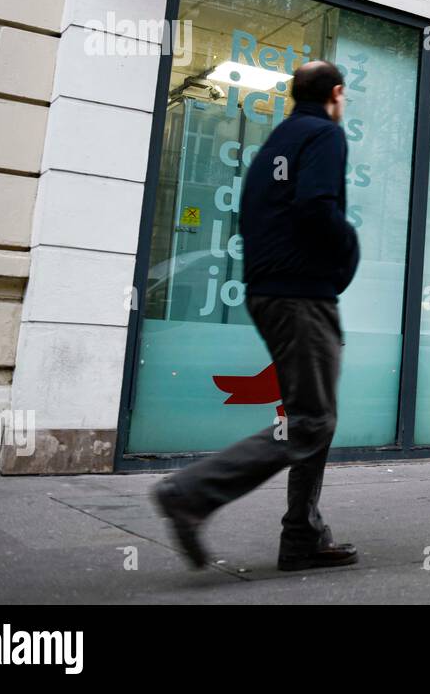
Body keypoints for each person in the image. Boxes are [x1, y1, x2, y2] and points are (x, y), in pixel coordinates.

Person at [152, 60, 361, 572]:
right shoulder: (325, 136)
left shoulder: (278, 141)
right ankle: (190, 493)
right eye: (344, 94)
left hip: (270, 290)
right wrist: (348, 249)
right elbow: (316, 207)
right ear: (336, 93)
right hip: (301, 296)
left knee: (313, 416)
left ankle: (302, 538)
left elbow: (261, 214)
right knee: (311, 421)